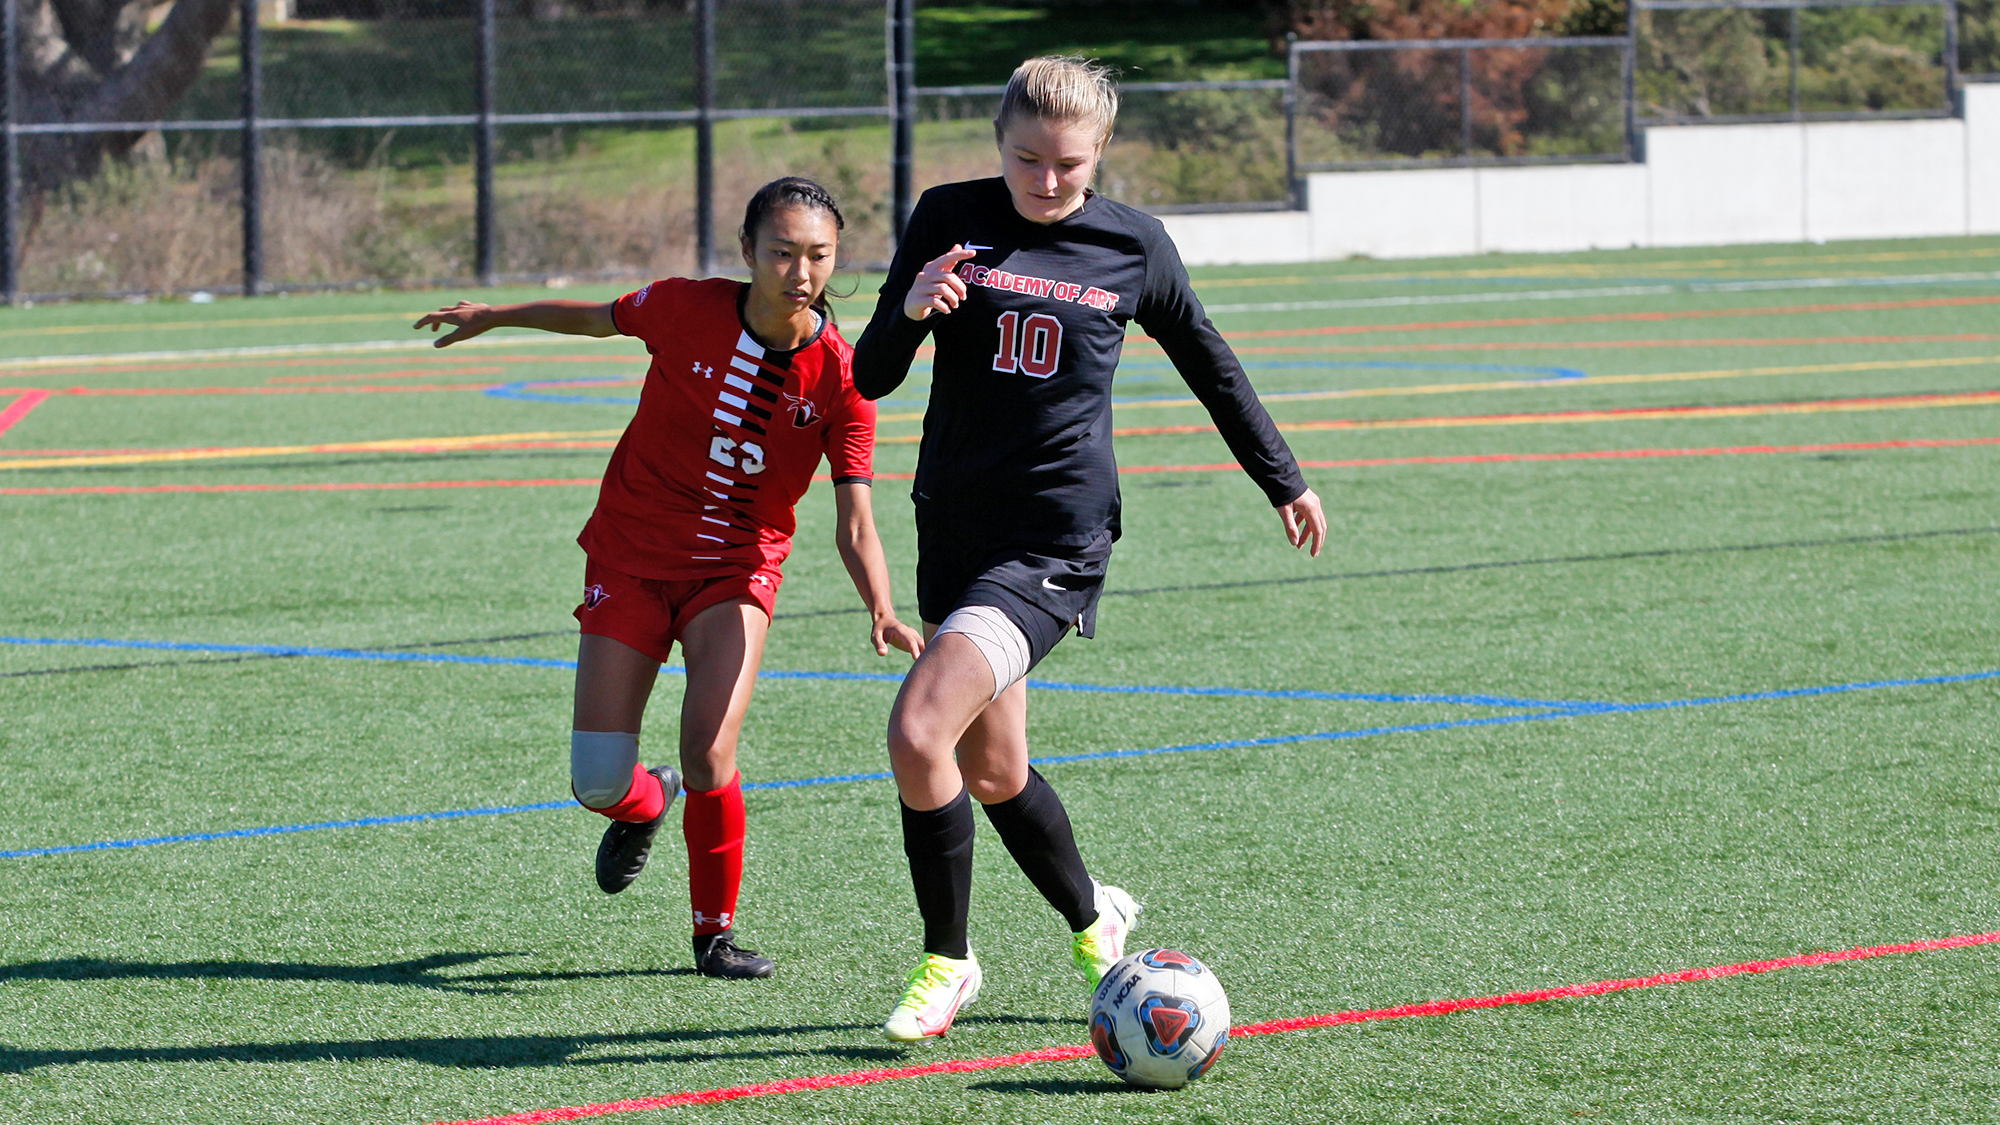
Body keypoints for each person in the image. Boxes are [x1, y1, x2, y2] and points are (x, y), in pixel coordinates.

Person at [852, 57, 1328, 1041]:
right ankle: (1092, 914)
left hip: (1053, 543)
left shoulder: (1132, 246)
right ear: (997, 144)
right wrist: (910, 310)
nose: (1047, 179)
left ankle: (947, 961)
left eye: (1069, 163)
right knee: (992, 770)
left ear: (1099, 154)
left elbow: (1210, 364)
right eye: (1027, 158)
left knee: (916, 732)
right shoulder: (947, 215)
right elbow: (869, 375)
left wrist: (1282, 477)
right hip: (951, 523)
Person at [415, 177, 922, 980]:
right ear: (748, 250)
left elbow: (855, 515)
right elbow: (596, 317)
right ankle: (649, 799)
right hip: (629, 554)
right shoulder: (684, 306)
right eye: (783, 251)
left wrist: (883, 606)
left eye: (818, 255)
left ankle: (712, 935)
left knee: (711, 748)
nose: (800, 271)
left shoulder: (844, 379)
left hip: (736, 570)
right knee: (595, 780)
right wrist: (497, 316)